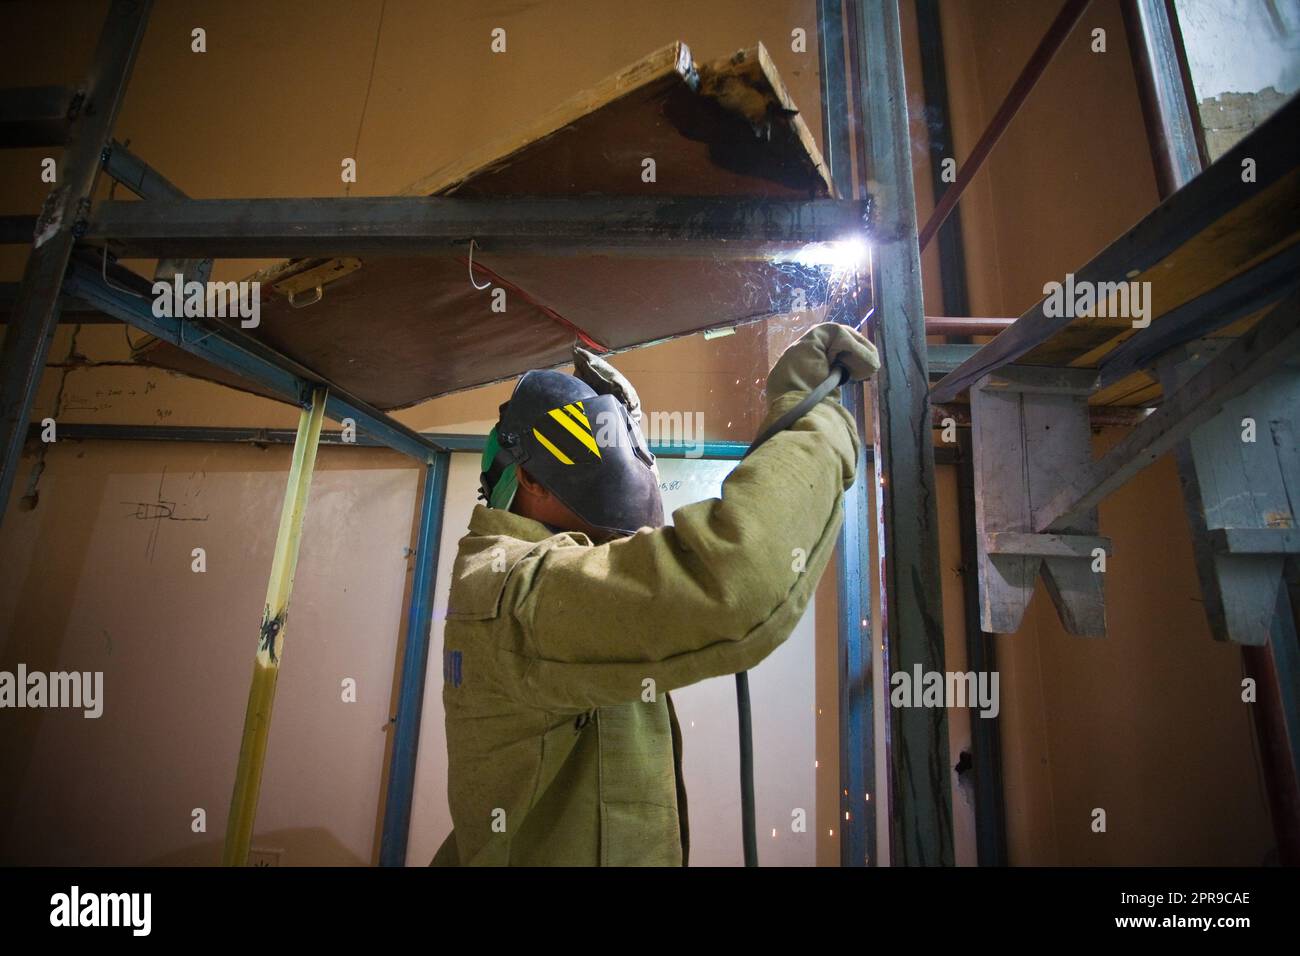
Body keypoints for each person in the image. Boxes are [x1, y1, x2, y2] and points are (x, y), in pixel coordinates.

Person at [430, 322, 879, 866]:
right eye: (608, 440)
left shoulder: (567, 572)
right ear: (532, 479)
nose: (632, 461)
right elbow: (732, 581)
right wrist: (813, 417)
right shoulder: (514, 586)